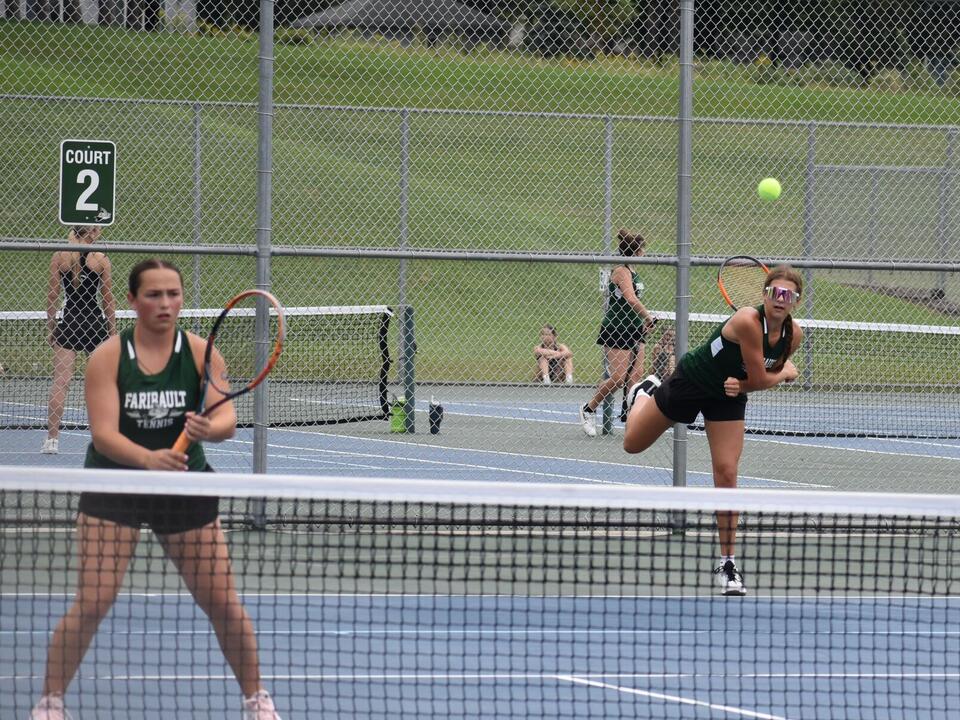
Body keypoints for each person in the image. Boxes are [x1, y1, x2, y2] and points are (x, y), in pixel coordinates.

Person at [31, 259, 281, 720]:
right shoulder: (108, 356)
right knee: (94, 602)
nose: (165, 303)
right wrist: (149, 460)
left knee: (223, 603)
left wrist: (208, 427)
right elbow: (104, 434)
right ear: (132, 300)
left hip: (184, 487)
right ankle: (50, 702)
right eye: (154, 295)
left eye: (173, 294)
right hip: (114, 484)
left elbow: (225, 418)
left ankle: (257, 700)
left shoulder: (203, 353)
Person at [622, 265, 804, 597]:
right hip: (692, 381)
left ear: (796, 301)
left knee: (726, 472)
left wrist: (760, 379)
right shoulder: (748, 321)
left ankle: (727, 563)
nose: (780, 299)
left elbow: (757, 378)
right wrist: (784, 375)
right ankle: (643, 393)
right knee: (632, 444)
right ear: (764, 295)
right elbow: (766, 378)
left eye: (787, 295)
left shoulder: (794, 335)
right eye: (775, 292)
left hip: (729, 395)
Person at [43, 225, 116, 454]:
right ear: (93, 232)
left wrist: (52, 325)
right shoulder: (101, 258)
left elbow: (53, 295)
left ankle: (52, 440)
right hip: (94, 323)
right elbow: (107, 299)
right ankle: (107, 437)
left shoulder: (60, 256)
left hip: (70, 321)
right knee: (103, 383)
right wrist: (112, 329)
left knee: (61, 382)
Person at [579, 229, 657, 436]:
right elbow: (630, 299)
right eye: (643, 250)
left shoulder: (635, 271)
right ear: (637, 251)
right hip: (617, 328)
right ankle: (588, 409)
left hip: (635, 328)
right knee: (618, 378)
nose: (645, 253)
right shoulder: (621, 271)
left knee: (636, 375)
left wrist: (644, 323)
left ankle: (632, 420)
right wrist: (648, 315)